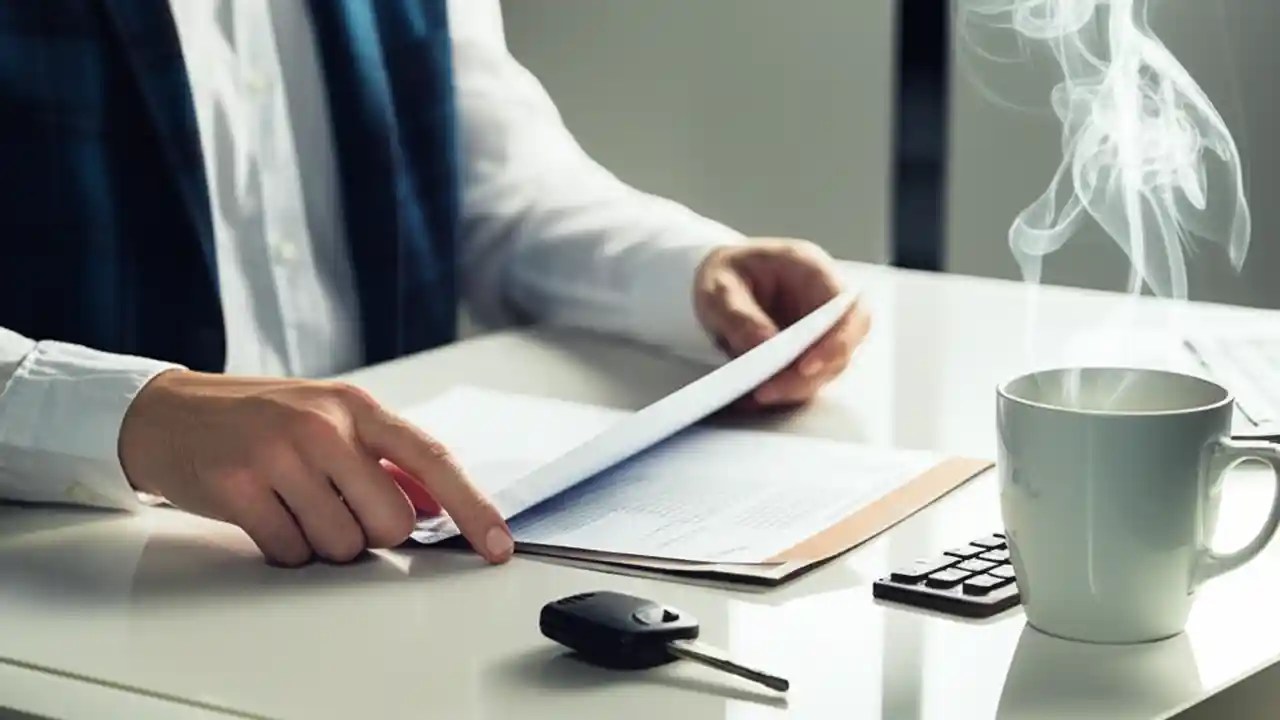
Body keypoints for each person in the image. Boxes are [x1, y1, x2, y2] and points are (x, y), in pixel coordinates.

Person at [0, 0, 868, 567]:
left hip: (384, 563)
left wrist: (691, 272)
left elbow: (496, 191)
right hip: (79, 580)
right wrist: (138, 414)